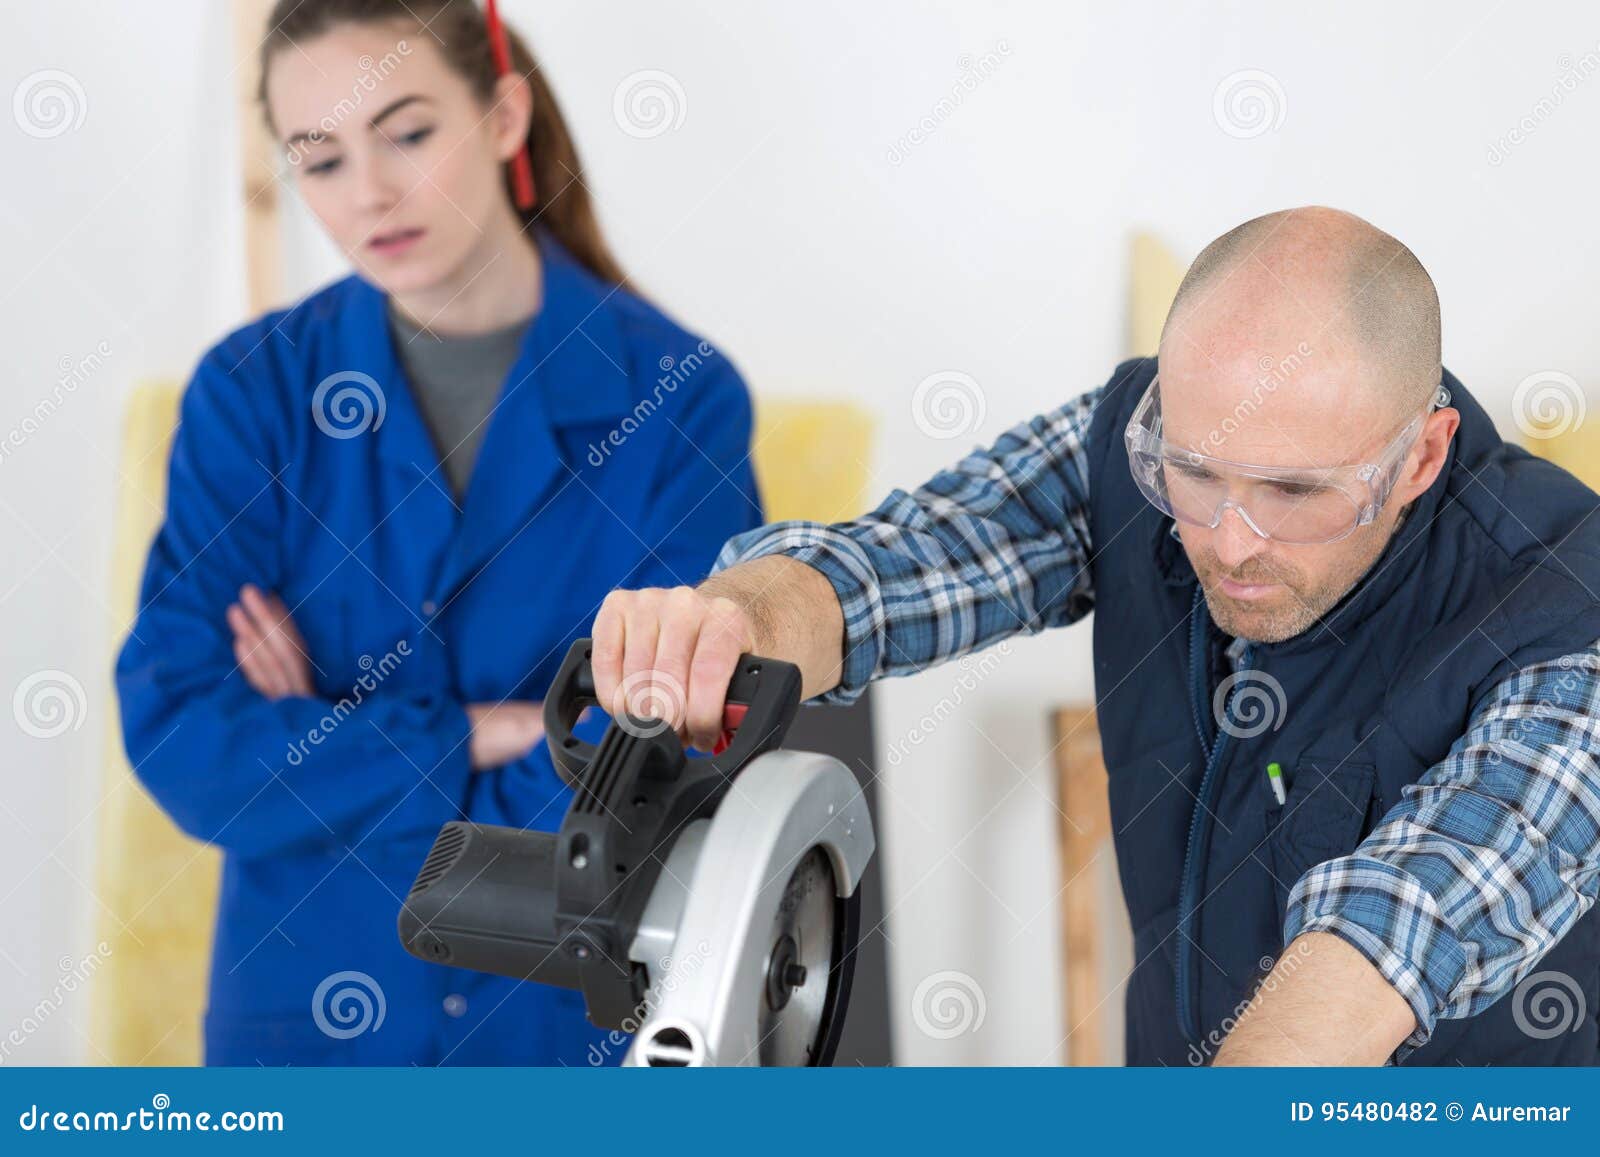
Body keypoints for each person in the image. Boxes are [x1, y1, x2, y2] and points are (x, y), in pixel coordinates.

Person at [590, 207, 1600, 1066]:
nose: (1226, 542)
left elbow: (1395, 931)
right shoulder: (1136, 440)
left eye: (1294, 492)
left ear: (1418, 455)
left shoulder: (1568, 619)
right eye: (1195, 473)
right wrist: (745, 618)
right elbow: (915, 557)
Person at [115, 0, 761, 1066]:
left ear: (504, 114)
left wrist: (327, 756)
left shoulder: (677, 397)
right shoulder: (251, 391)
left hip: (568, 1024)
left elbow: (667, 748)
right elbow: (186, 734)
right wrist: (479, 732)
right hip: (303, 1023)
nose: (366, 194)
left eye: (408, 134)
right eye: (316, 160)